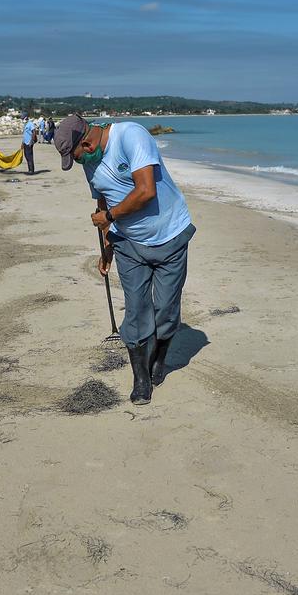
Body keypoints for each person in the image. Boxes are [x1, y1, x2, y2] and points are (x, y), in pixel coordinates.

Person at [53, 115, 196, 406]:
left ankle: (159, 357)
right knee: (136, 310)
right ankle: (140, 377)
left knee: (166, 309)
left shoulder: (131, 135)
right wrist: (107, 247)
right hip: (129, 243)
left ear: (87, 144)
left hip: (170, 234)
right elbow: (103, 200)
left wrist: (109, 217)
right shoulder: (90, 161)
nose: (79, 163)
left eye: (76, 157)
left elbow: (146, 191)